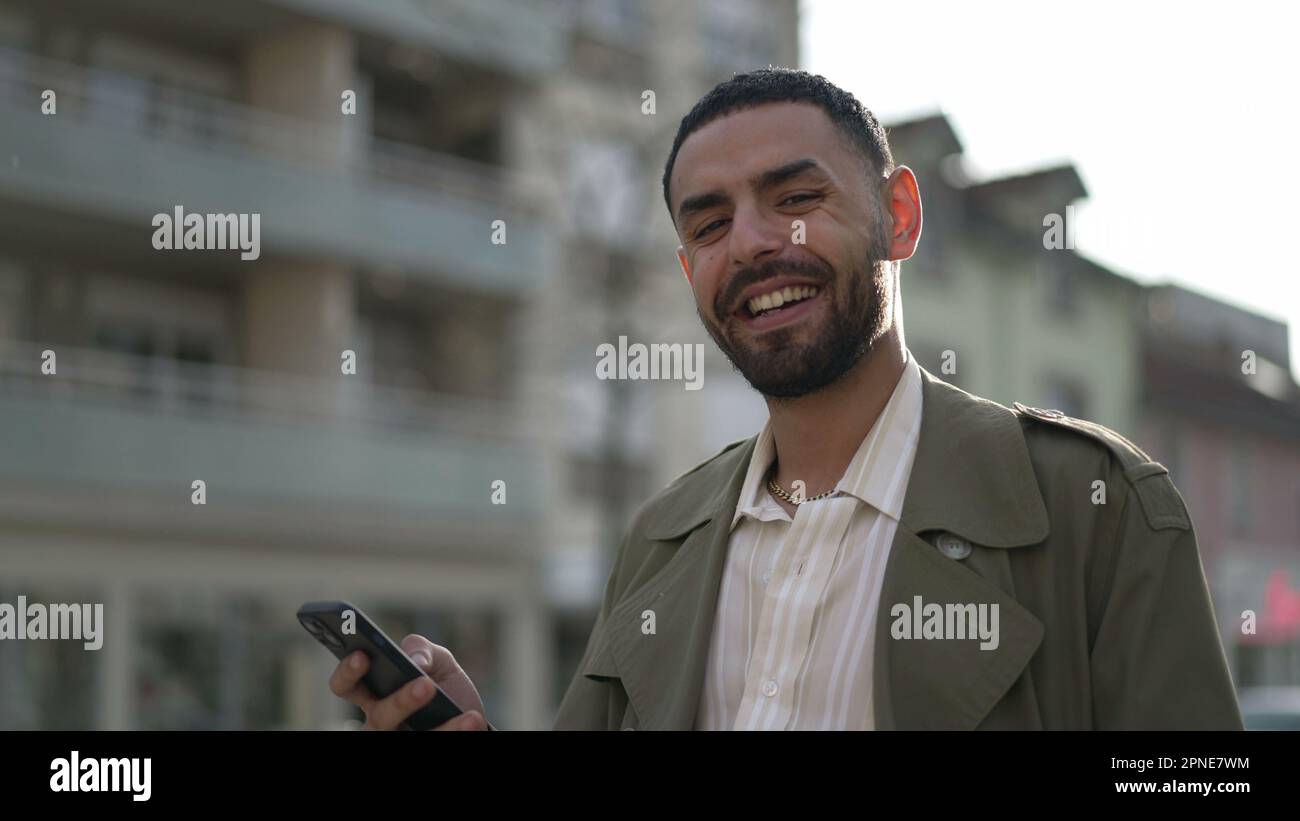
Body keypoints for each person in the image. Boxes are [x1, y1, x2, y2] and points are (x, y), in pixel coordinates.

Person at [328, 68, 1243, 730]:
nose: (756, 243)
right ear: (691, 271)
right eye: (711, 223)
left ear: (899, 216)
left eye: (796, 196)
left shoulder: (1098, 507)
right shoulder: (660, 540)